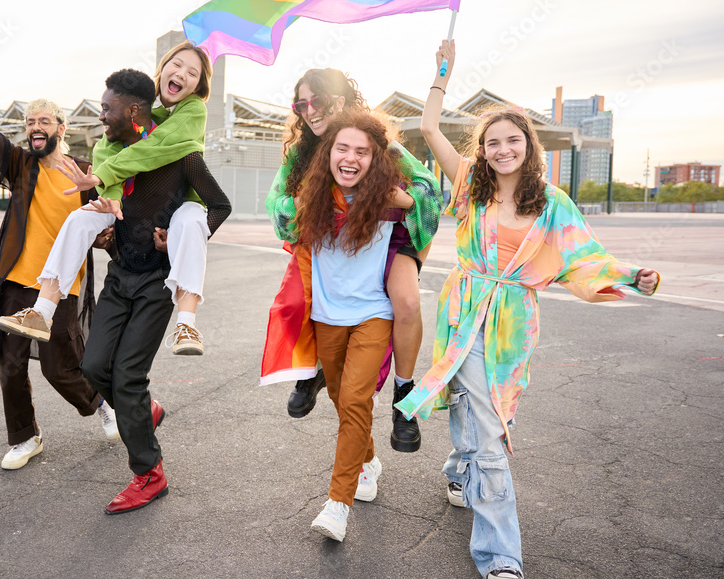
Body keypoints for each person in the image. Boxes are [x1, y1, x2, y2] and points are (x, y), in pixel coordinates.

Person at [395, 40, 660, 579]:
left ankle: (456, 470)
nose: (502, 149)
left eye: (512, 140)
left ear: (528, 145)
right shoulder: (470, 185)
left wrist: (634, 278)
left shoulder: (554, 203)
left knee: (484, 411)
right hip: (465, 312)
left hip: (513, 324)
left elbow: (584, 260)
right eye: (492, 142)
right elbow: (428, 130)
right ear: (484, 149)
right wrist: (441, 77)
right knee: (490, 433)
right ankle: (501, 559)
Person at [0, 42, 118, 471]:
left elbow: (104, 228)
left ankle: (101, 403)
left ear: (62, 126)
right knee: (11, 364)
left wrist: (107, 237)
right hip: (17, 282)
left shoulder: (83, 173)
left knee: (60, 369)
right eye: (29, 121)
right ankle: (25, 438)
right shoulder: (21, 164)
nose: (35, 126)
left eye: (44, 120)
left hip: (62, 287)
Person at [0, 42, 216, 356]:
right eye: (176, 64)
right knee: (81, 217)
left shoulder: (193, 110)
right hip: (135, 200)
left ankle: (187, 323)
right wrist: (109, 196)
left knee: (193, 220)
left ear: (198, 84)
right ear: (164, 66)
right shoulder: (141, 105)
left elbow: (157, 147)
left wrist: (100, 177)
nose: (181, 74)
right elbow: (107, 148)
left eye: (192, 73)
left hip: (180, 200)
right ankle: (42, 312)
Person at [76, 69, 231, 514]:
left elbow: (219, 205)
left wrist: (185, 240)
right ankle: (145, 409)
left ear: (134, 110)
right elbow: (106, 214)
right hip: (119, 274)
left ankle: (150, 474)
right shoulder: (112, 155)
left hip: (156, 282)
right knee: (93, 365)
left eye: (108, 108)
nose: (102, 116)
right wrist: (104, 235)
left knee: (126, 377)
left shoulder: (181, 153)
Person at [264, 68, 442, 452]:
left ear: (340, 101)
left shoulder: (377, 143)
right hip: (329, 243)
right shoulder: (299, 153)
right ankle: (313, 372)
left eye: (318, 101)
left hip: (387, 239)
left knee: (408, 302)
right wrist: (297, 204)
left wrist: (405, 201)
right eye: (301, 104)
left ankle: (404, 397)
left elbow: (431, 190)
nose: (310, 111)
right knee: (297, 302)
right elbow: (274, 204)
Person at [289, 108, 411, 542]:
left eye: (362, 151)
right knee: (342, 399)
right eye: (343, 148)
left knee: (356, 401)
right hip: (326, 316)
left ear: (375, 158)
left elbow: (424, 203)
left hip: (373, 313)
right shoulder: (310, 197)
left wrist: (392, 158)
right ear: (328, 152)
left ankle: (337, 505)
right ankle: (369, 458)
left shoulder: (391, 199)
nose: (351, 158)